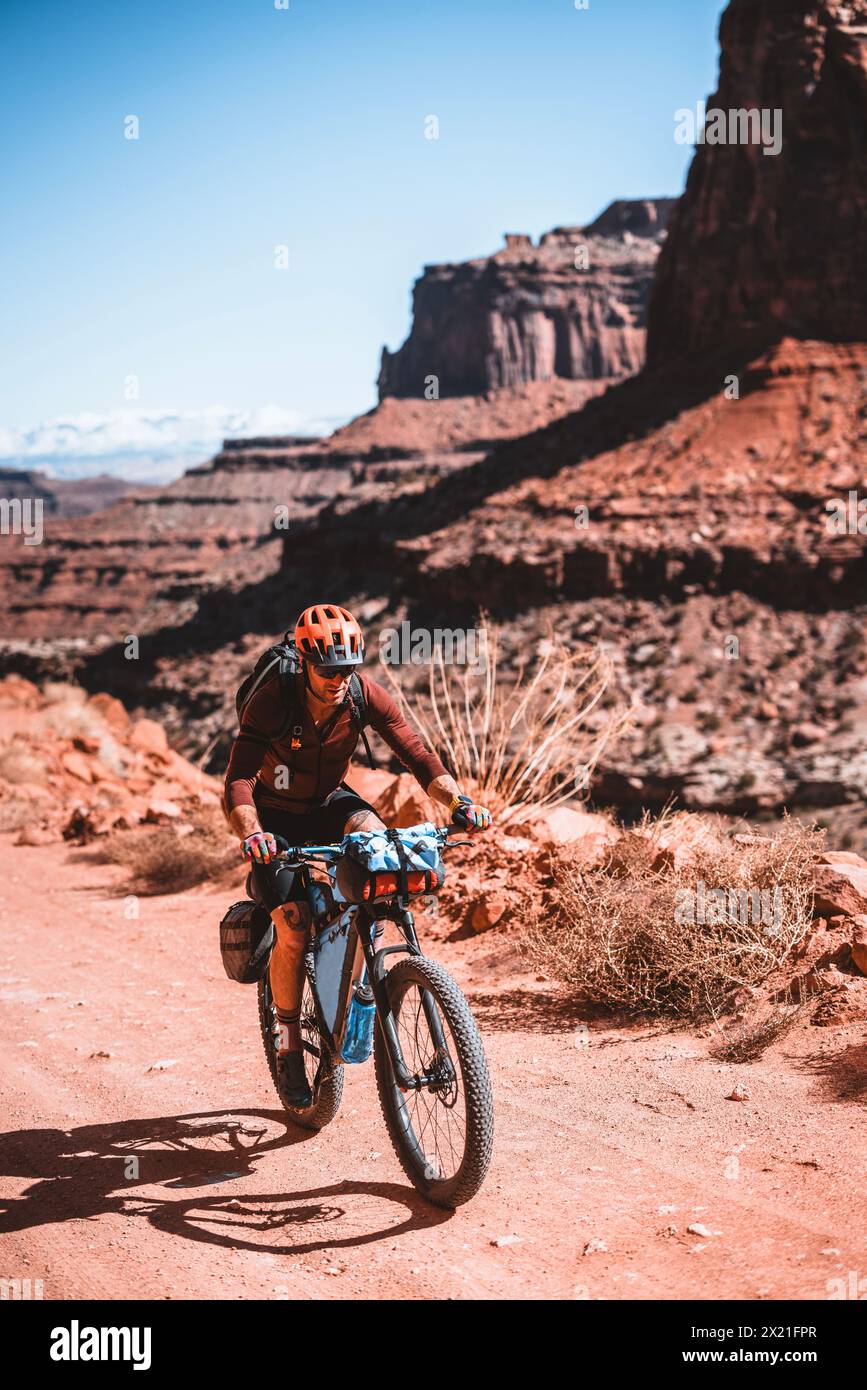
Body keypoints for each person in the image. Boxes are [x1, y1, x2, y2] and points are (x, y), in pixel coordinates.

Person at [224, 603, 492, 1105]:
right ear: (305, 661)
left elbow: (415, 753)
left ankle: (364, 959)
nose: (338, 680)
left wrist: (457, 801)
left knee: (378, 846)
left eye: (347, 669)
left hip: (329, 802)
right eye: (327, 670)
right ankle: (287, 1044)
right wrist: (252, 833)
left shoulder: (363, 695)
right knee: (294, 923)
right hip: (275, 815)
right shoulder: (274, 701)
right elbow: (238, 779)